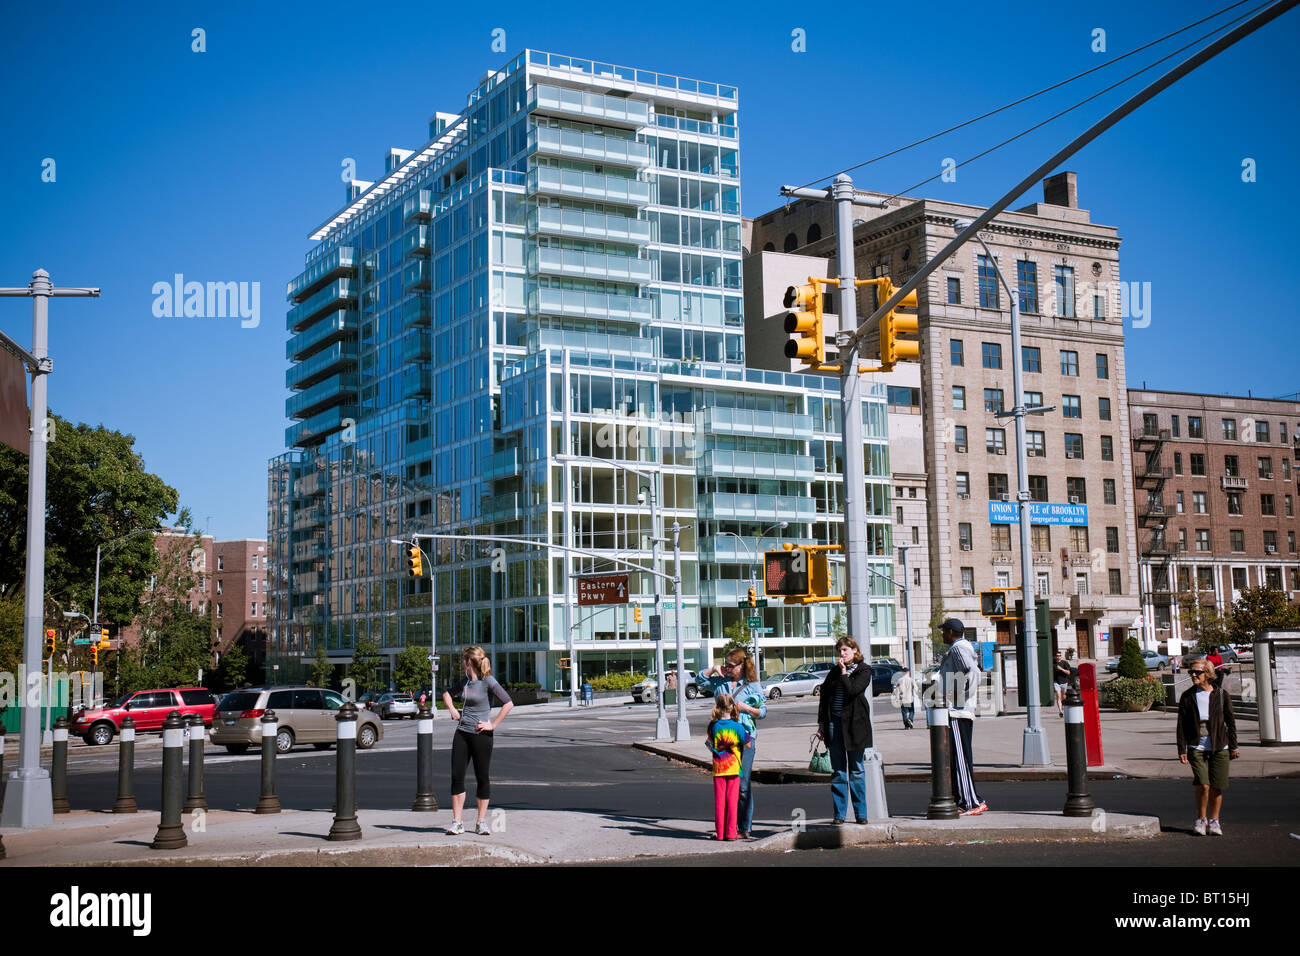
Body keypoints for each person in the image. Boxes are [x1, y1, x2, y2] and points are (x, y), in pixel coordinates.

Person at [442, 646, 514, 835]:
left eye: (463, 660)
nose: (462, 663)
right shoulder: (465, 681)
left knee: (482, 777)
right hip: (462, 734)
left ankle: (481, 822)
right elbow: (447, 694)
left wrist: (493, 725)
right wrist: (452, 709)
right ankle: (457, 822)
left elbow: (508, 703)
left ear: (469, 662)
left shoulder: (488, 681)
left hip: (482, 736)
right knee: (457, 777)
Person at [696, 647, 767, 838]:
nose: (727, 668)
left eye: (731, 665)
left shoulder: (752, 686)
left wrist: (747, 709)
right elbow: (699, 681)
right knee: (726, 786)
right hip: (725, 742)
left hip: (745, 740)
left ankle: (744, 827)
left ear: (742, 665)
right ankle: (730, 827)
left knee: (742, 785)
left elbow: (763, 712)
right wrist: (713, 669)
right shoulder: (721, 682)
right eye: (725, 664)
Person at [815, 637, 874, 823]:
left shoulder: (864, 670)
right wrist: (822, 723)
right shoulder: (834, 671)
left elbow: (852, 691)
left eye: (845, 650)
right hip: (835, 724)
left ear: (855, 650)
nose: (842, 654)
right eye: (839, 650)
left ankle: (861, 814)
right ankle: (839, 815)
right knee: (838, 771)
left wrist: (843, 673)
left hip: (855, 725)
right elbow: (824, 697)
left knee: (856, 769)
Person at [1177, 658, 1239, 836]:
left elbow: (1231, 722)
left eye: (1197, 672)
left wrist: (1233, 746)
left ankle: (1214, 821)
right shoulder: (1188, 696)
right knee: (1203, 785)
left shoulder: (1221, 694)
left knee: (1217, 786)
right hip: (1197, 745)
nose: (1193, 675)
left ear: (1208, 674)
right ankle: (1201, 818)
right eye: (1191, 672)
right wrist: (1182, 749)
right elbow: (1181, 725)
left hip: (1220, 745)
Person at [938, 618, 986, 815]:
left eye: (944, 631)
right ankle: (967, 798)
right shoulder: (963, 647)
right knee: (959, 756)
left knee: (960, 759)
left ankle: (971, 802)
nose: (942, 634)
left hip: (957, 711)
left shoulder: (958, 648)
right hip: (959, 710)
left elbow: (971, 674)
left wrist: (953, 696)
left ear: (950, 632)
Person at [705, 693, 752, 840]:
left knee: (720, 802)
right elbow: (748, 743)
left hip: (718, 768)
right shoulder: (737, 727)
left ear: (717, 707)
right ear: (732, 707)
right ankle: (731, 833)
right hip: (733, 767)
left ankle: (720, 833)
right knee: (732, 801)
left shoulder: (713, 726)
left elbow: (709, 742)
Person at [1052, 650, 1073, 717]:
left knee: (1063, 696)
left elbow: (1069, 672)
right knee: (1058, 695)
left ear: (1061, 656)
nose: (1058, 657)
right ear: (1055, 657)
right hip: (1056, 682)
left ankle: (1064, 706)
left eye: (1059, 656)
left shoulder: (1064, 663)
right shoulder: (1053, 663)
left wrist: (1061, 669)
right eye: (1057, 656)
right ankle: (1060, 711)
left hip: (1064, 682)